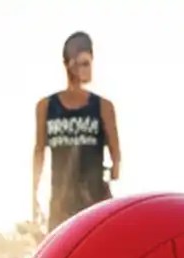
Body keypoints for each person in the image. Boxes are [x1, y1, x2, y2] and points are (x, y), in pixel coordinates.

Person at [32, 31, 121, 232]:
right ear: (70, 65)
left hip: (95, 204)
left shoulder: (104, 107)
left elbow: (116, 158)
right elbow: (39, 152)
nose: (89, 69)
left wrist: (109, 175)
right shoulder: (46, 107)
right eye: (84, 63)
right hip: (61, 205)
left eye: (89, 63)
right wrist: (34, 195)